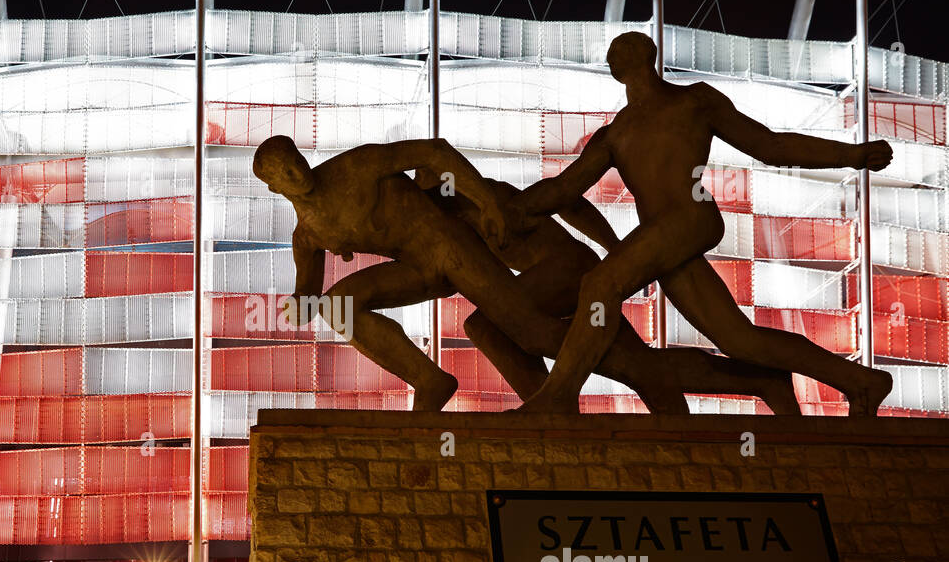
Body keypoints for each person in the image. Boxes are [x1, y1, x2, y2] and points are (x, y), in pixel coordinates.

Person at [252, 134, 799, 413]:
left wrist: (614, 252)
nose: (295, 174)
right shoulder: (313, 231)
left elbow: (553, 197)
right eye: (282, 175)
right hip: (455, 270)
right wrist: (302, 300)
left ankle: (747, 379)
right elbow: (309, 284)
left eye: (295, 161)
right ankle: (440, 383)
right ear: (276, 188)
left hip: (536, 267)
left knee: (533, 335)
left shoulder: (380, 176)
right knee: (351, 304)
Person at [510, 31, 895, 415]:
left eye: (623, 48)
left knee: (599, 284)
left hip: (689, 218)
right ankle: (861, 381)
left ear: (646, 56)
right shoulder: (613, 135)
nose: (616, 55)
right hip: (664, 240)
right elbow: (563, 189)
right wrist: (509, 205)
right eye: (614, 51)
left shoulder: (693, 100)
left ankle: (558, 396)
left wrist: (852, 154)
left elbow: (771, 147)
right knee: (739, 341)